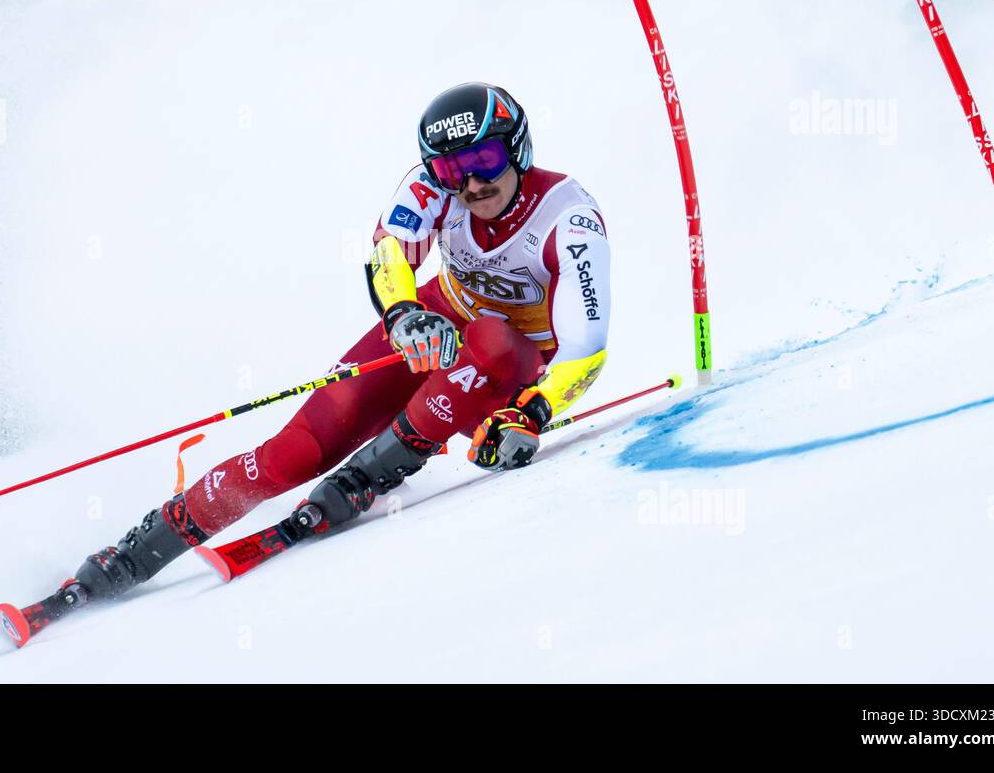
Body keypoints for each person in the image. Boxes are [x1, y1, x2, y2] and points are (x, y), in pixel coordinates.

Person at [71, 82, 611, 601]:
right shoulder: (430, 191)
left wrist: (532, 413)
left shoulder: (569, 218)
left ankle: (369, 475)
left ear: (517, 150)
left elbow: (586, 348)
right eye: (451, 170)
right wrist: (403, 314)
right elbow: (389, 253)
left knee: (492, 338)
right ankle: (137, 552)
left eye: (485, 162)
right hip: (441, 329)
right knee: (293, 451)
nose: (471, 185)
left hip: (506, 378)